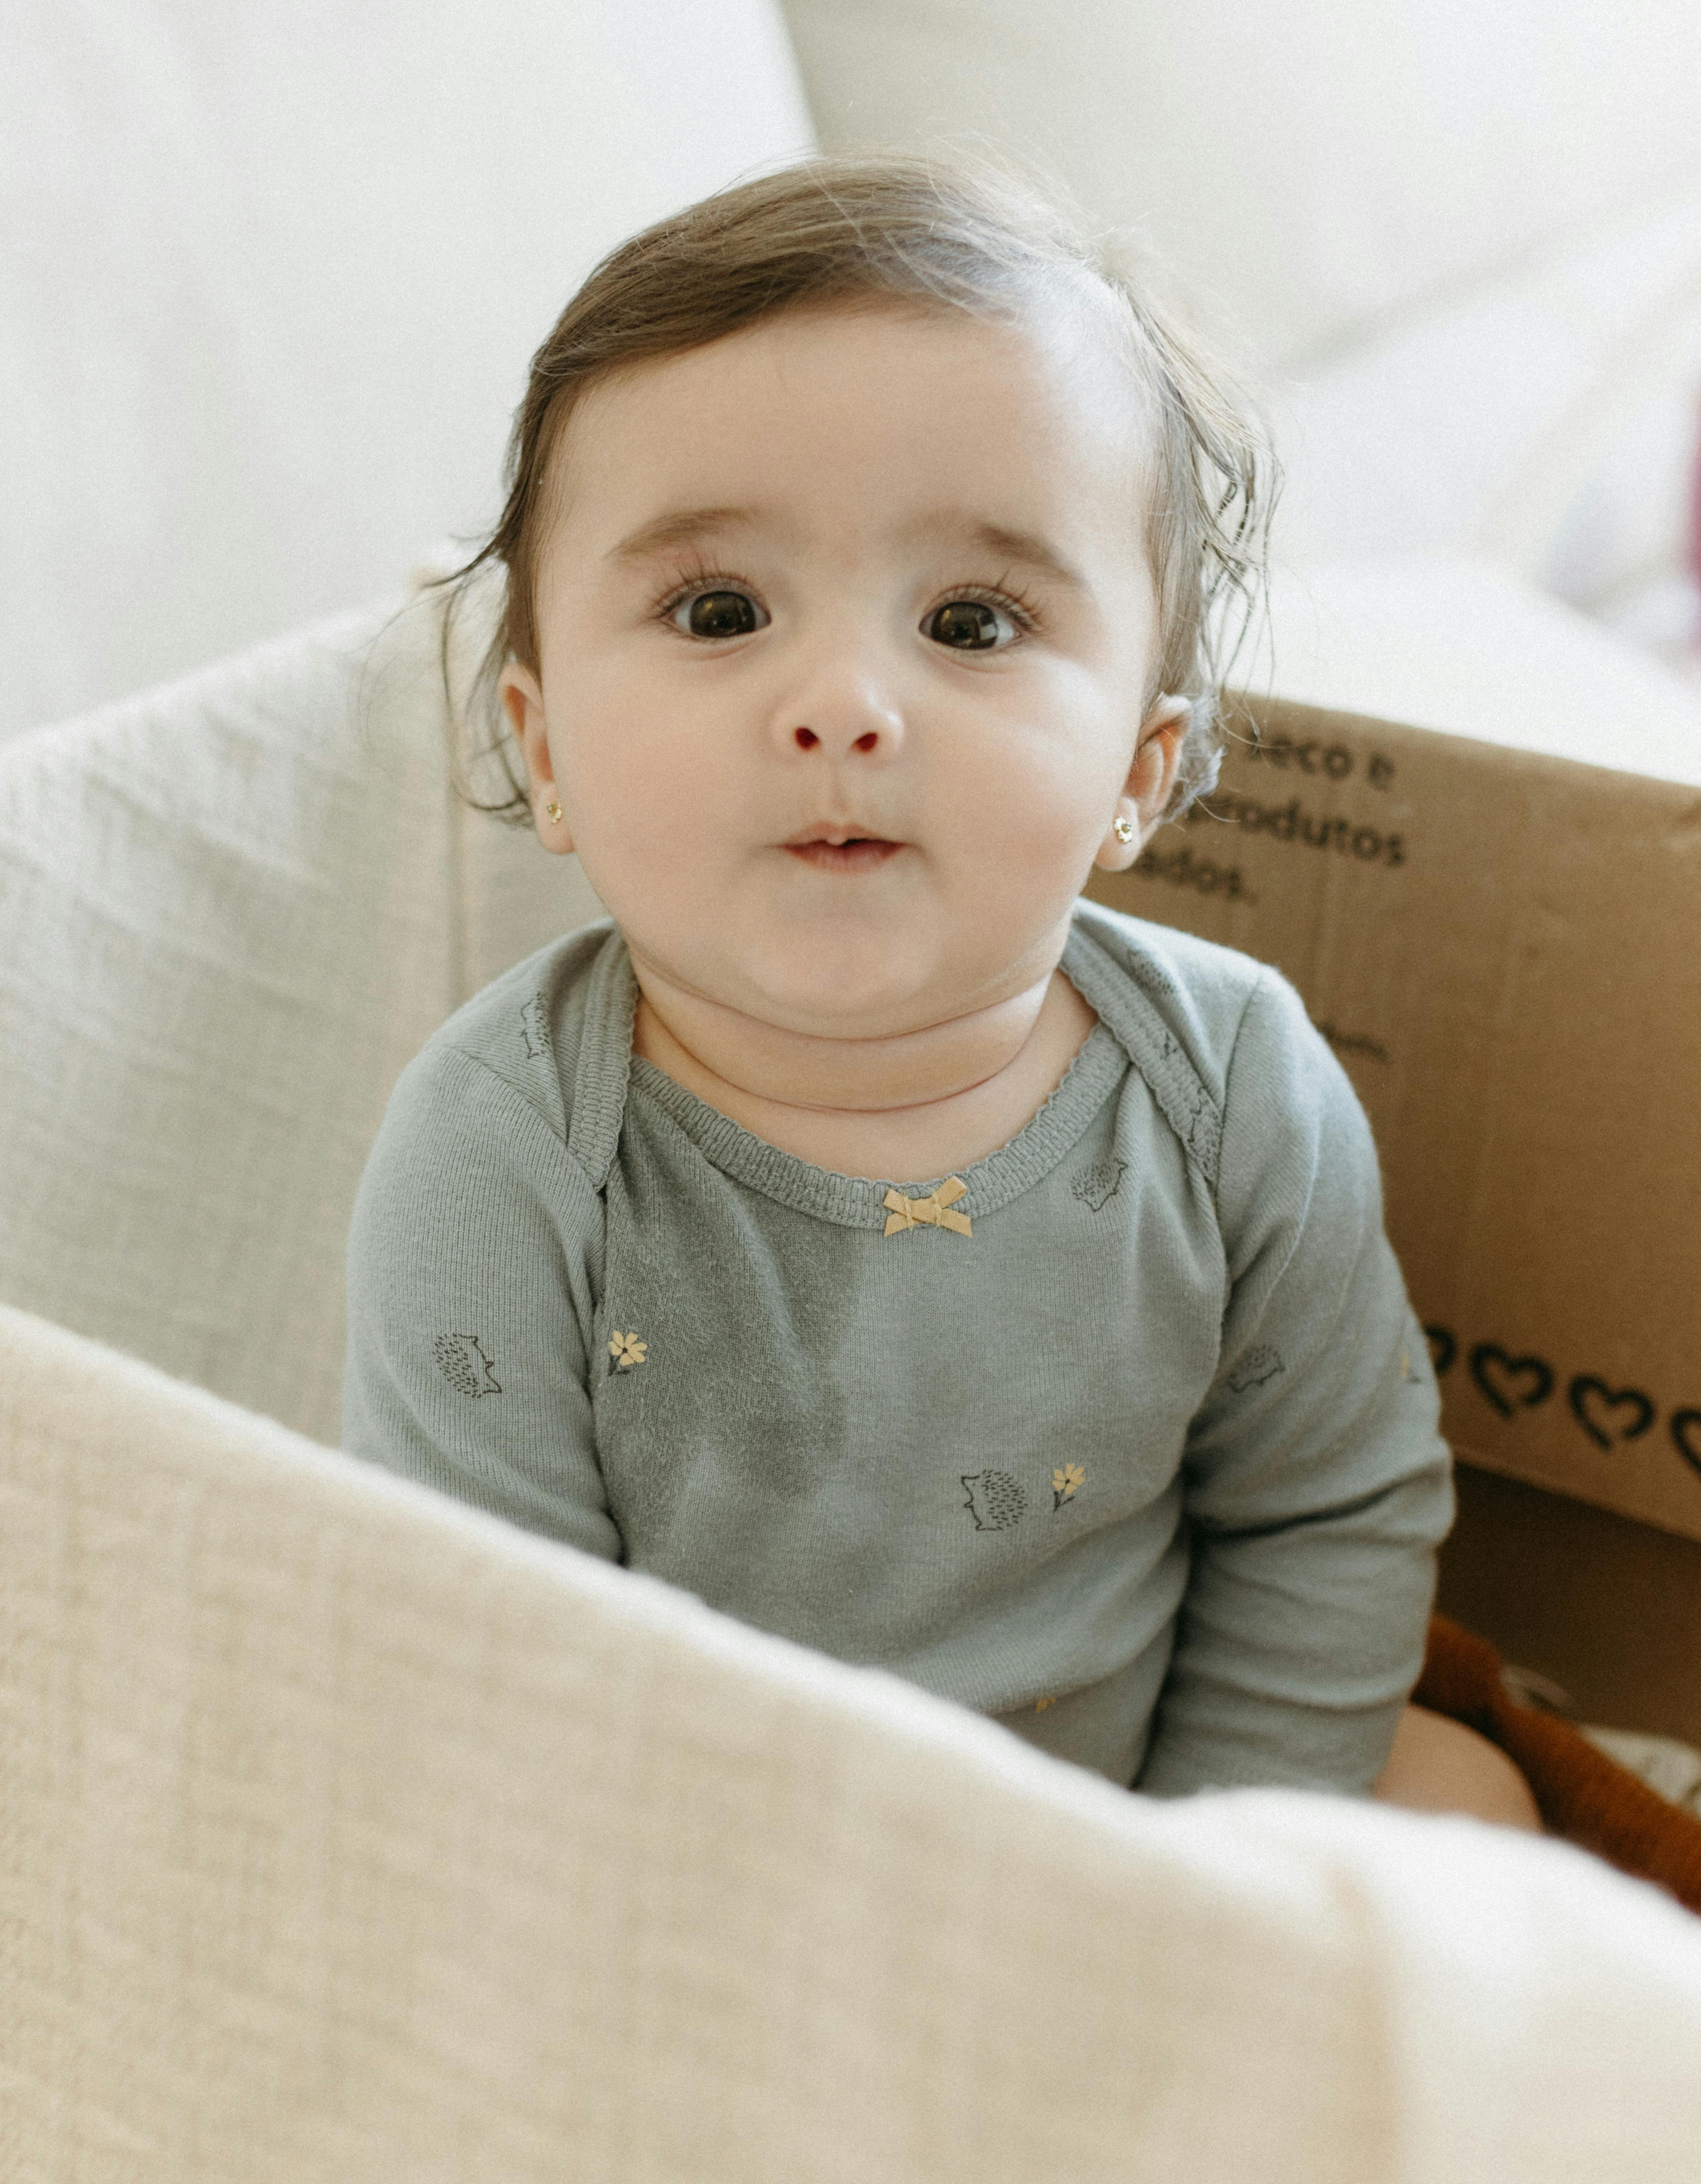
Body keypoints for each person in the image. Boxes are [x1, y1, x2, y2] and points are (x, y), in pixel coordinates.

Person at [344, 154, 1537, 1829]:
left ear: (1140, 766)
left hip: (1135, 1831)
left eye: (970, 622)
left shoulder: (1232, 1086)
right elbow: (483, 1653)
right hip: (688, 1872)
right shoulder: (502, 1147)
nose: (839, 704)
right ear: (543, 750)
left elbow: (1319, 1516)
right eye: (718, 609)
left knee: (1466, 1800)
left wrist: (1197, 1878)